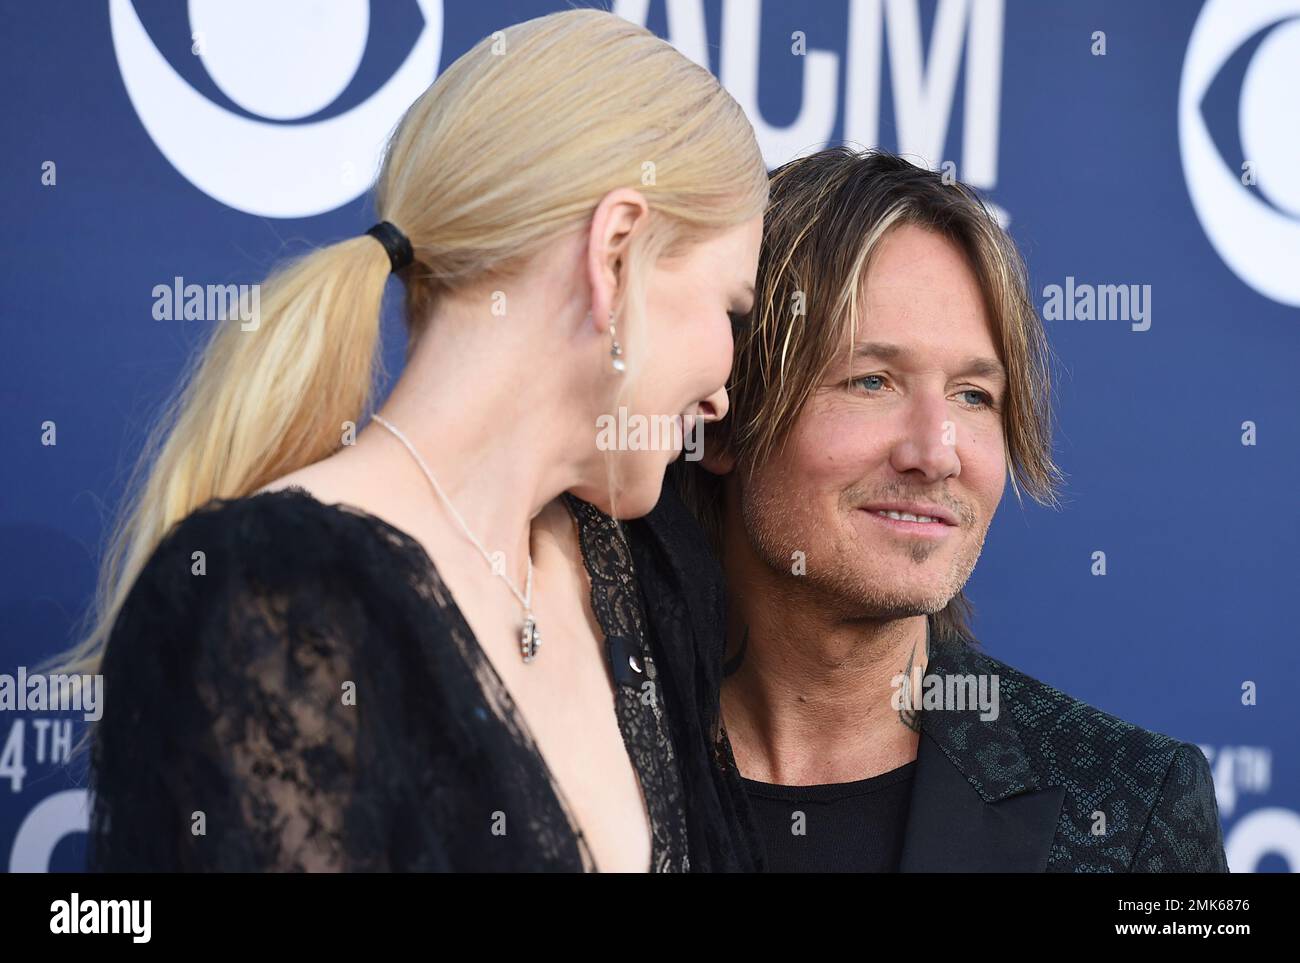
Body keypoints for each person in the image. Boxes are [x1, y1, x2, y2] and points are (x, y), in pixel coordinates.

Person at [53, 8, 766, 872]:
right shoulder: (267, 600)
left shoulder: (648, 578)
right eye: (732, 308)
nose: (725, 393)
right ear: (615, 254)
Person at [669, 147, 1229, 872]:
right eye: (871, 381)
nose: (936, 454)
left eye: (974, 395)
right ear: (722, 416)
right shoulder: (581, 755)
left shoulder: (1132, 811)